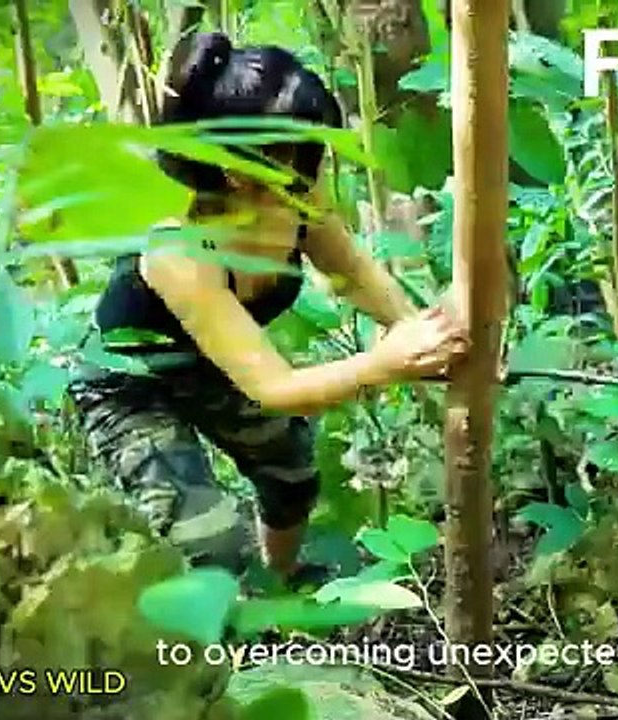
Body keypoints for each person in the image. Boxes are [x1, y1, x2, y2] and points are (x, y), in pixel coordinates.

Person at [67, 33, 468, 585]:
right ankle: (207, 630)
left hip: (213, 365)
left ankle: (281, 585)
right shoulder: (181, 251)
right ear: (242, 168)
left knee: (291, 471)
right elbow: (274, 388)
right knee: (211, 541)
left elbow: (352, 271)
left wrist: (419, 330)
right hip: (130, 385)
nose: (319, 158)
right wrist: (386, 363)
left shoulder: (296, 202)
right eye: (300, 147)